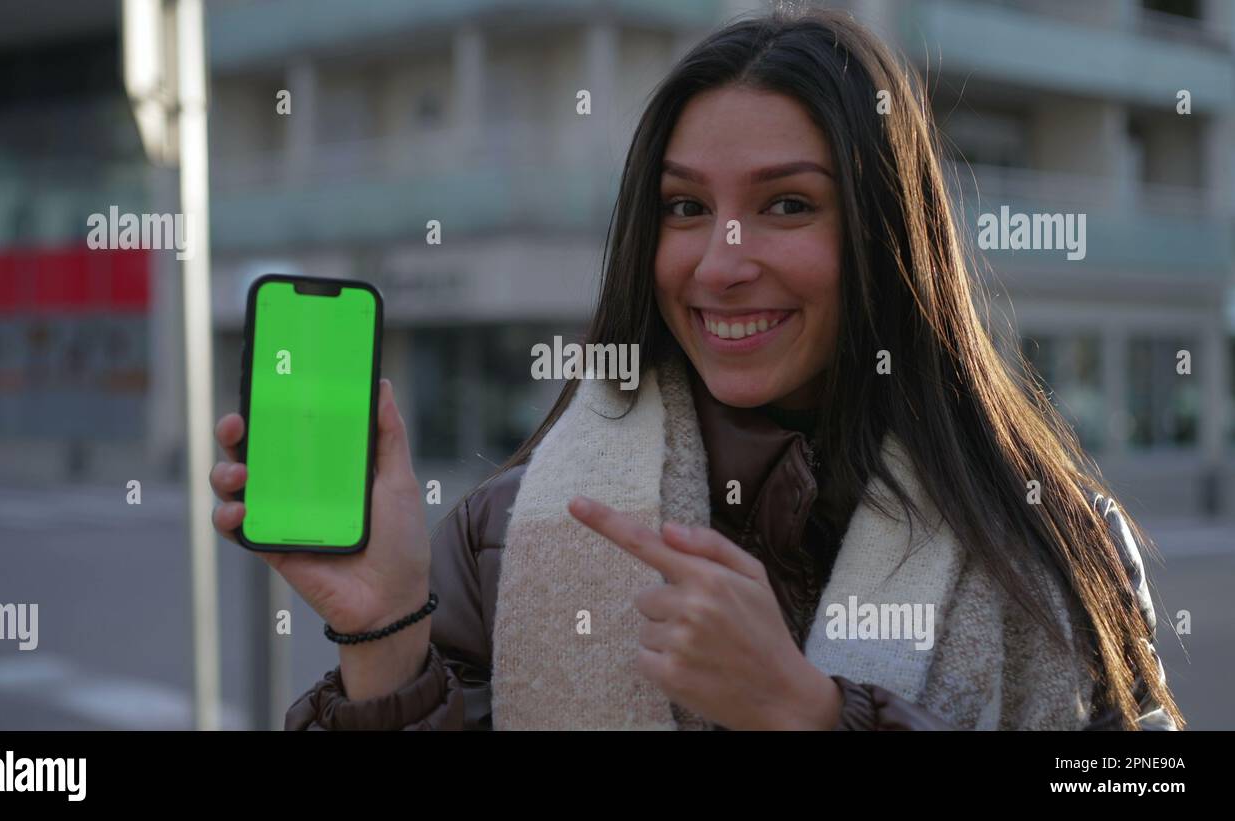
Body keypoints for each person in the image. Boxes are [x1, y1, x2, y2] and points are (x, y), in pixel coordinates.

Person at [210, 7, 1182, 730]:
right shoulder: (508, 528)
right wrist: (384, 629)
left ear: (887, 235)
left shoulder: (1050, 535)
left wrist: (811, 713)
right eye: (683, 208)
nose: (719, 261)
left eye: (787, 205)